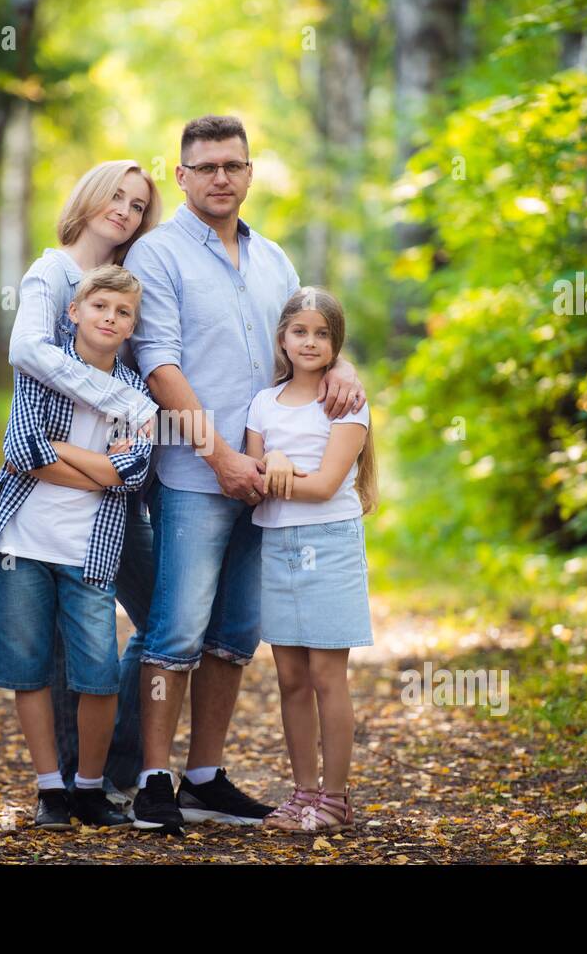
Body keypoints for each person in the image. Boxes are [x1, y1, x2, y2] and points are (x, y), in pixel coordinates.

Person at [123, 115, 368, 834]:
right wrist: (220, 455)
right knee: (174, 632)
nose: (220, 178)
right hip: (196, 476)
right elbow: (158, 364)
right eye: (205, 168)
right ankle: (152, 781)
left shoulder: (275, 261)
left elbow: (310, 336)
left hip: (270, 487)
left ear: (250, 172)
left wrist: (344, 365)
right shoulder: (158, 255)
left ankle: (204, 776)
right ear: (182, 176)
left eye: (232, 165)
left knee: (233, 635)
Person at [0, 265, 153, 830]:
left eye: (123, 313)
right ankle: (50, 789)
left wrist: (64, 453)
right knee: (28, 670)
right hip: (19, 540)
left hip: (91, 550)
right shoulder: (41, 369)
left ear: (130, 328)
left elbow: (135, 472)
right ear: (73, 312)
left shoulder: (137, 394)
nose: (110, 318)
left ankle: (90, 788)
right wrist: (103, 469)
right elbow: (22, 450)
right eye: (100, 306)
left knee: (97, 672)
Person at [5, 160, 162, 797]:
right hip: (46, 488)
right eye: (115, 196)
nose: (124, 210)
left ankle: (111, 770)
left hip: (115, 487)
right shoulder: (52, 271)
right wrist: (114, 401)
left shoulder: (131, 279)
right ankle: (67, 781)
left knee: (162, 620)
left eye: (136, 204)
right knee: (63, 646)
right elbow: (27, 353)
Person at [244, 286, 378, 832]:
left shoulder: (345, 401)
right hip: (277, 546)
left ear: (335, 343)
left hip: (329, 545)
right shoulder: (262, 404)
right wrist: (271, 461)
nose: (310, 341)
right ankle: (303, 795)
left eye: (323, 333)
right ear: (282, 338)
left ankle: (336, 799)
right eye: (300, 331)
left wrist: (277, 473)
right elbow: (253, 483)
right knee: (291, 678)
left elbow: (325, 486)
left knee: (327, 675)